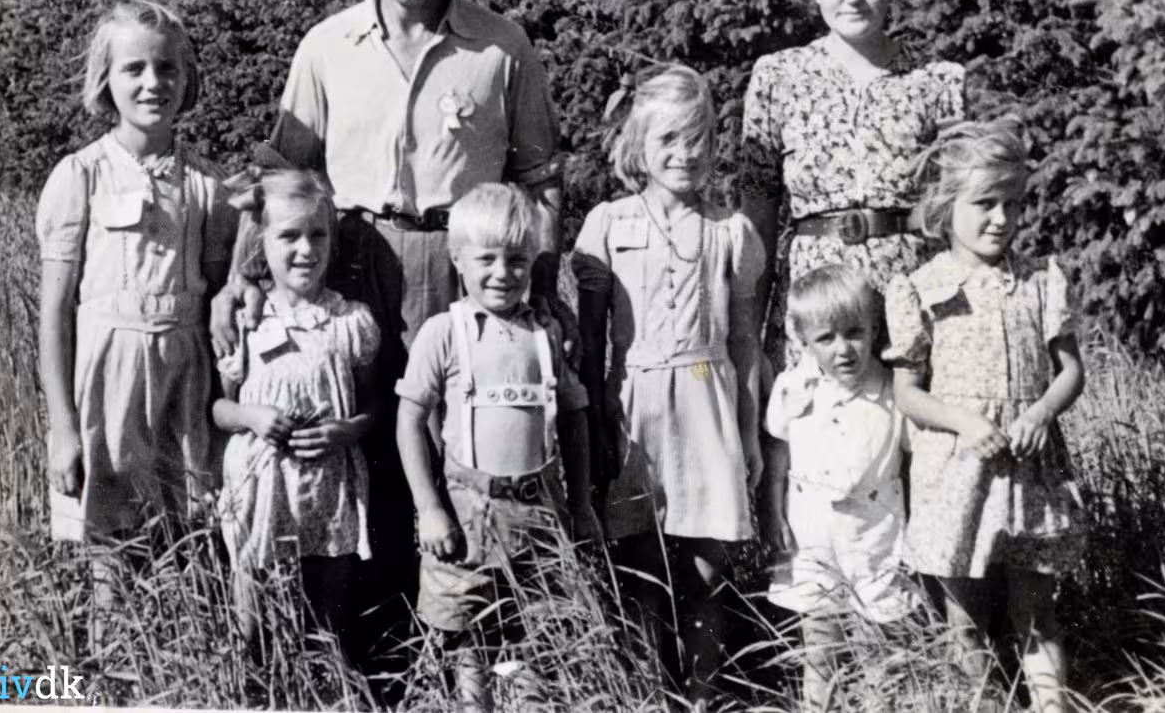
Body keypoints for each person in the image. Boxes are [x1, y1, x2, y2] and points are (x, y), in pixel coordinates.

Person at [213, 0, 565, 657]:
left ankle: (465, 633)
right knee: (359, 430)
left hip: (463, 264)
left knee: (453, 431)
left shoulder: (500, 46)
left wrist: (540, 286)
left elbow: (541, 177)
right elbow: (280, 176)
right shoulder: (327, 47)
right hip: (353, 258)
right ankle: (362, 638)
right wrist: (243, 277)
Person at [739, 0, 967, 497]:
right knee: (815, 464)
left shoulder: (938, 81)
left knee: (915, 465)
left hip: (911, 300)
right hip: (815, 300)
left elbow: (959, 213)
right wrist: (750, 335)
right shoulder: (778, 77)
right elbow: (757, 216)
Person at [572, 65, 765, 705]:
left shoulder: (729, 231)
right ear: (639, 147)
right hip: (636, 406)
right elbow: (592, 342)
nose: (685, 153)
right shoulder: (608, 224)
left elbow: (743, 340)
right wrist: (599, 419)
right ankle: (652, 692)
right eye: (668, 139)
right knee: (642, 563)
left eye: (698, 138)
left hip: (709, 400)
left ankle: (704, 692)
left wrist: (748, 432)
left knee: (707, 567)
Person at [884, 118, 1085, 713]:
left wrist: (1042, 412)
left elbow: (1070, 372)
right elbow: (907, 393)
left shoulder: (1040, 281)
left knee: (1036, 610)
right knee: (964, 620)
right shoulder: (921, 288)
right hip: (957, 472)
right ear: (946, 206)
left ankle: (1051, 706)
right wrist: (964, 422)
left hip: (1031, 472)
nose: (1001, 218)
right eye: (984, 203)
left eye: (1012, 204)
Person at [36, 0, 233, 576]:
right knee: (112, 549)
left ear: (186, 77)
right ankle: (111, 633)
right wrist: (63, 428)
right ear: (106, 80)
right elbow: (55, 314)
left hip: (185, 379)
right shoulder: (81, 175)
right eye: (134, 69)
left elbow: (218, 299)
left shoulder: (207, 185)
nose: (153, 83)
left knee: (186, 538)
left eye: (167, 67)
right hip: (107, 383)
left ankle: (181, 632)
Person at [395, 183, 598, 713]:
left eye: (517, 260)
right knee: (470, 638)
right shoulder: (444, 332)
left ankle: (527, 703)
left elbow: (573, 419)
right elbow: (409, 421)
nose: (502, 273)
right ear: (457, 259)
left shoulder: (545, 335)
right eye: (486, 259)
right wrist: (430, 508)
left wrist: (580, 505)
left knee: (534, 634)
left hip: (539, 513)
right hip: (468, 517)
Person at [213, 169, 379, 659]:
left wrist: (347, 430)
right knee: (253, 610)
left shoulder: (350, 321)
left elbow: (374, 406)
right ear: (261, 242)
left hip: (328, 491)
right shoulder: (246, 321)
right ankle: (255, 681)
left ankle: (330, 683)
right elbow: (219, 409)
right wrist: (252, 416)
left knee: (331, 616)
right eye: (289, 236)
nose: (306, 250)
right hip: (261, 490)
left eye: (317, 235)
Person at [765, 264, 922, 712]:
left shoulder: (892, 391)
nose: (843, 349)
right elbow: (778, 451)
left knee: (879, 644)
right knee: (820, 644)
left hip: (877, 532)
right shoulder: (793, 388)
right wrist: (773, 513)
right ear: (804, 341)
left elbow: (913, 463)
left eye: (854, 333)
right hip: (813, 533)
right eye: (826, 338)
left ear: (874, 329)